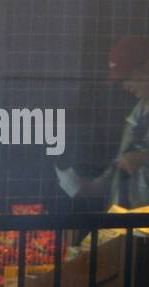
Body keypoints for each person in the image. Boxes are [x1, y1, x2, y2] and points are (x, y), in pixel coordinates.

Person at [65, 37, 149, 208]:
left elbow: (134, 158)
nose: (125, 86)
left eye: (128, 77)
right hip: (129, 219)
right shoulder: (140, 110)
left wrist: (143, 158)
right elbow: (123, 159)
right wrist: (94, 186)